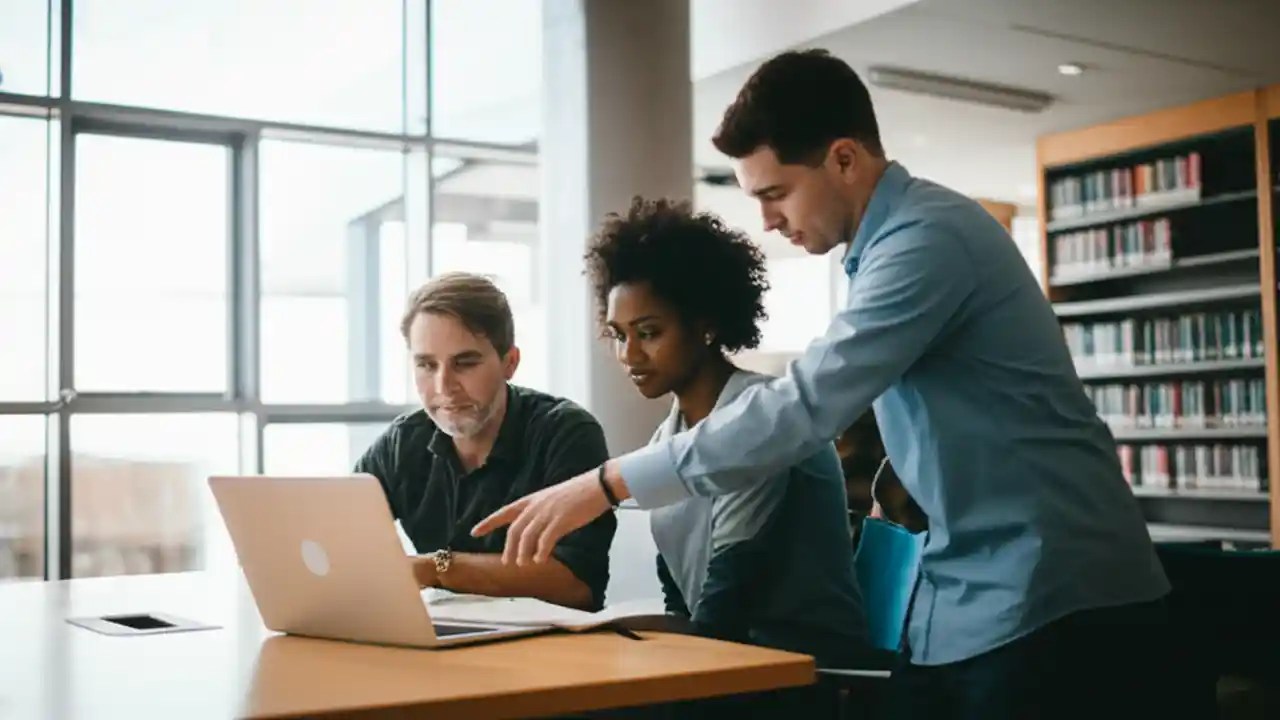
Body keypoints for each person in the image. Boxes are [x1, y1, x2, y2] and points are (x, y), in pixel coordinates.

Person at [474, 49, 1185, 718]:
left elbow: (803, 405)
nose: (768, 219)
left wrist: (605, 483)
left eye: (777, 192)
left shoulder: (925, 241)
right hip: (974, 596)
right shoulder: (880, 256)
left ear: (843, 159)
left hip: (1056, 598)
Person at [585, 195, 887, 675]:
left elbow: (722, 618)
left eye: (648, 332)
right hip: (737, 664)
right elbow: (684, 605)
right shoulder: (667, 438)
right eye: (619, 334)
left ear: (704, 326)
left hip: (808, 674)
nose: (628, 355)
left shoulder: (757, 423)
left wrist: (606, 633)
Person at [354, 272, 615, 610]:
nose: (444, 386)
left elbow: (578, 584)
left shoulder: (565, 433)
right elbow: (343, 546)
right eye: (426, 365)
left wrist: (437, 569)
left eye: (464, 363)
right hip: (444, 644)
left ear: (510, 362)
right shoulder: (402, 444)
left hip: (549, 650)